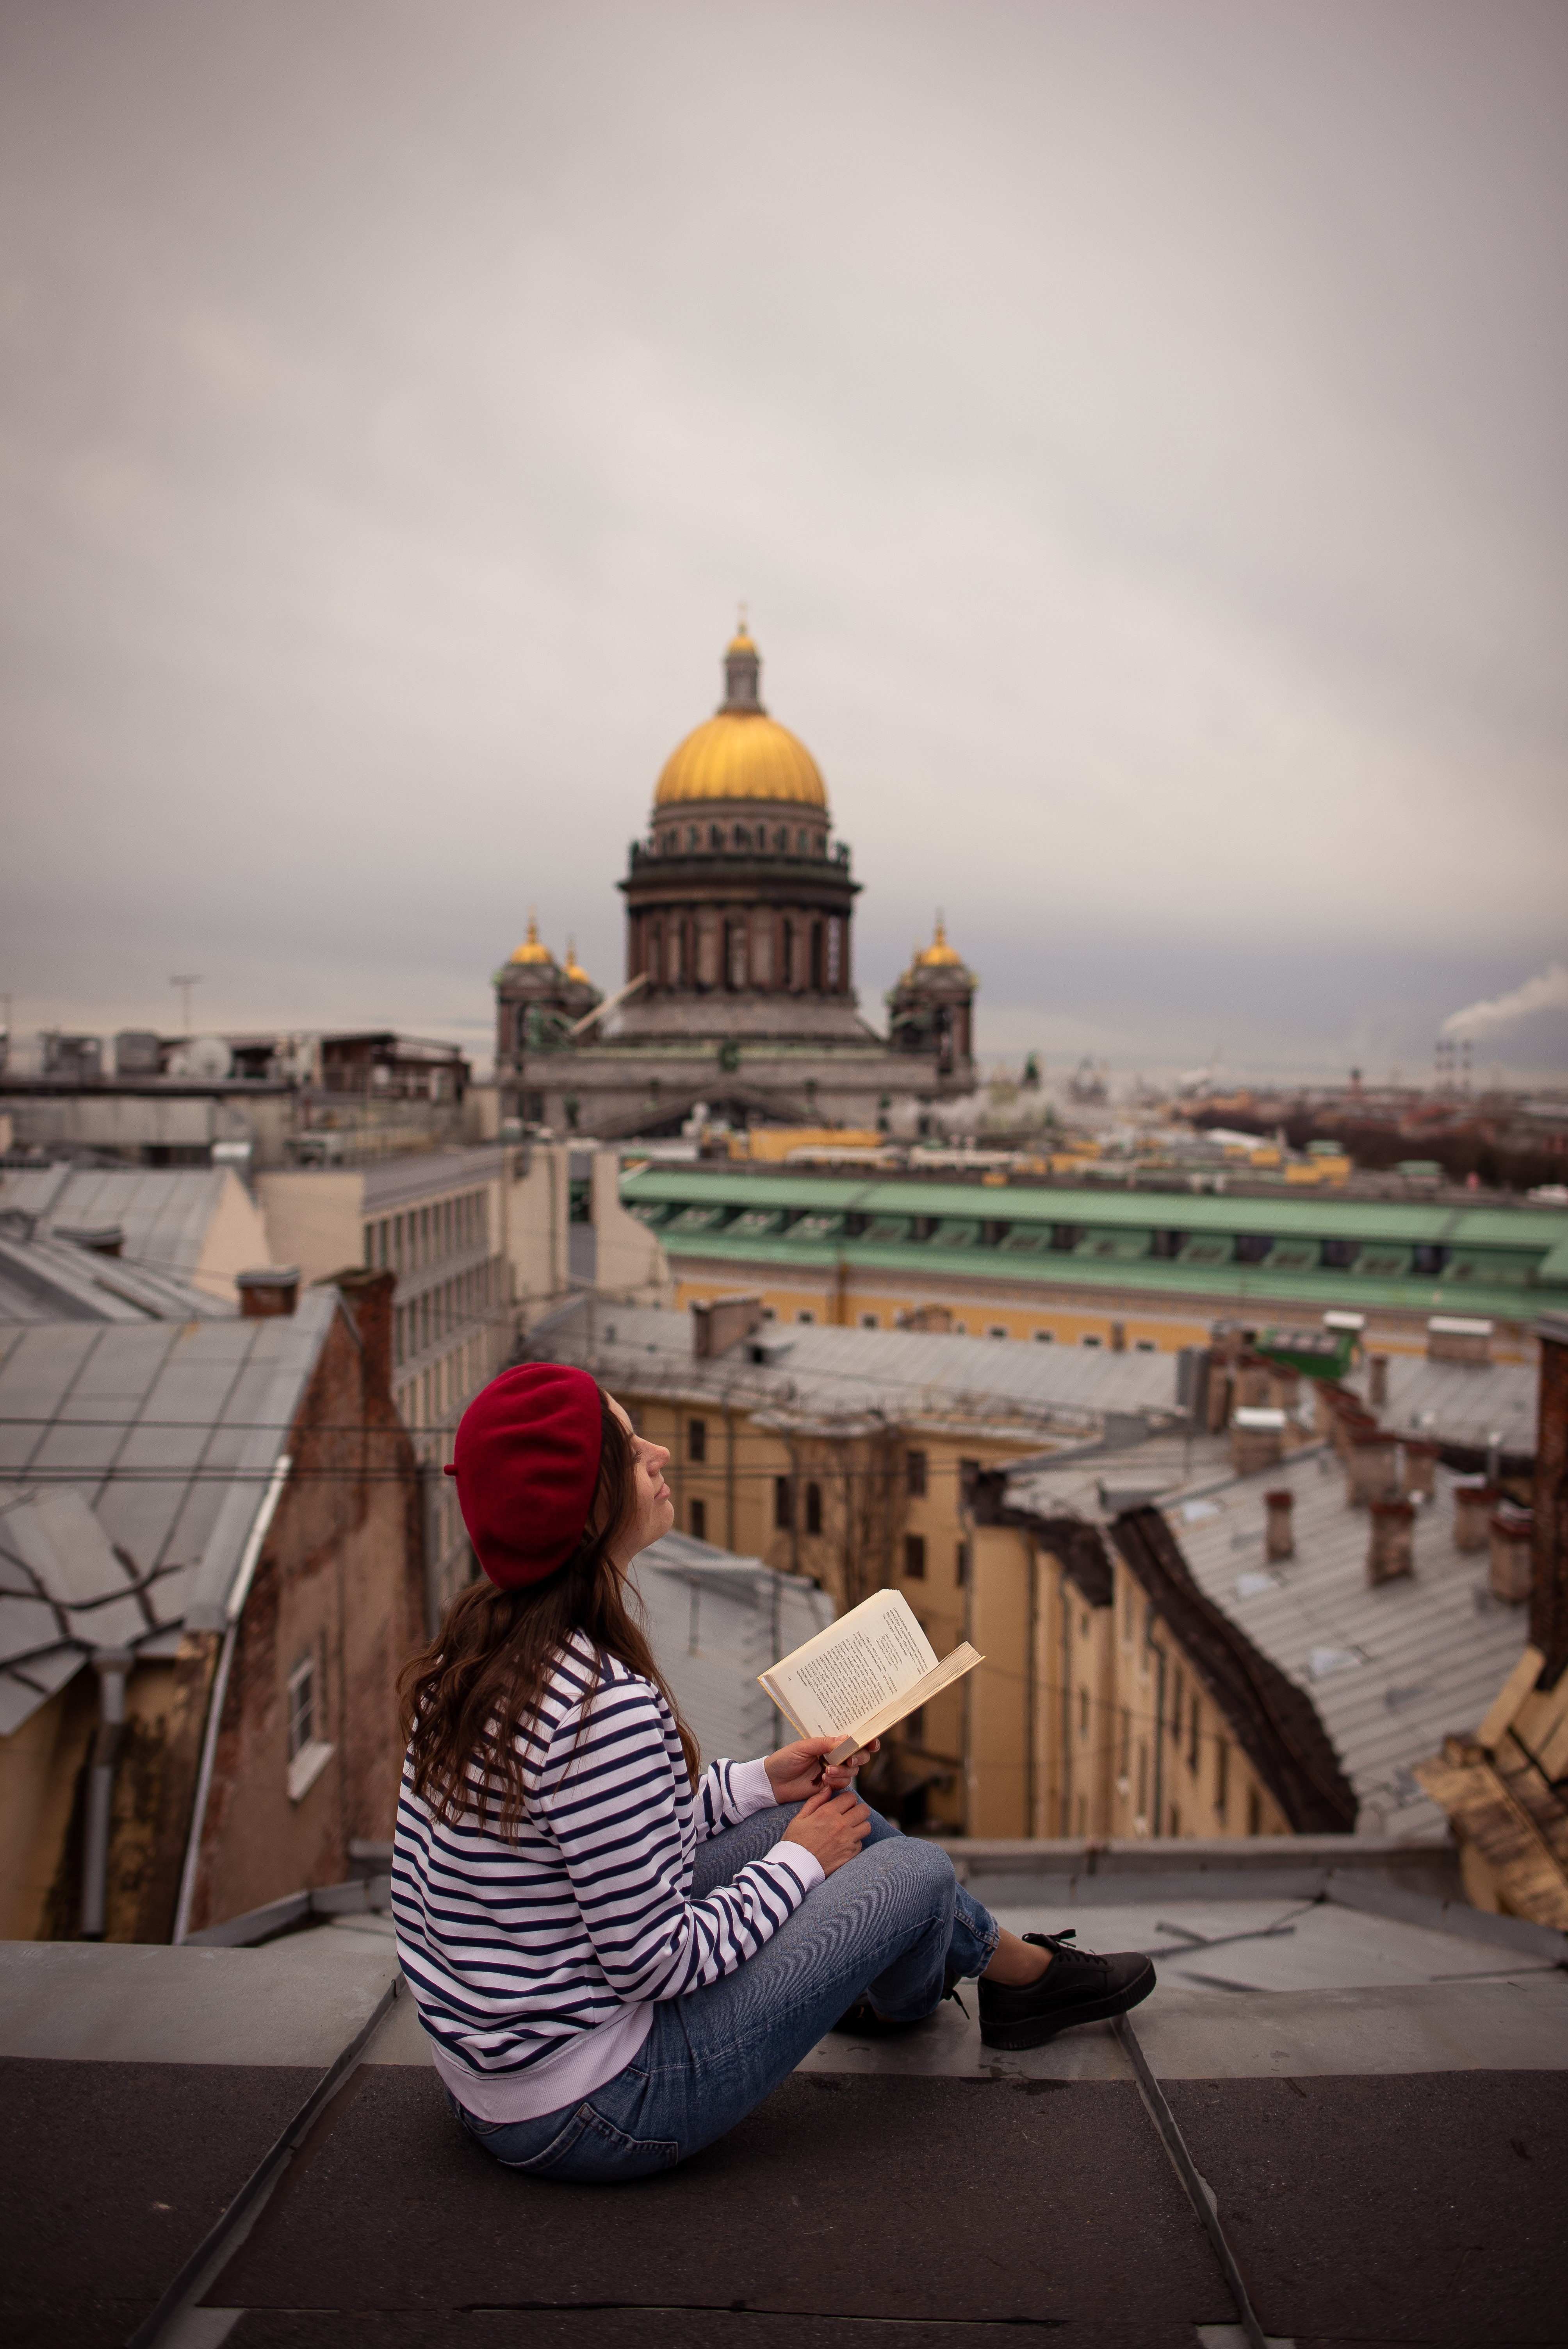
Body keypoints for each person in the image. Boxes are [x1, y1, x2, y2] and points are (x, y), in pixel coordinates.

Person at [392, 1363, 1154, 2182]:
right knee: (914, 1867)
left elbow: (603, 1842)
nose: (656, 1452)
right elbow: (654, 1961)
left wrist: (763, 1783)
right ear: (582, 1502)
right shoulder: (597, 1707)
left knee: (832, 1804)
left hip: (500, 2078)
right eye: (625, 1444)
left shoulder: (474, 1659)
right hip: (600, 2108)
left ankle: (988, 1971)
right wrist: (801, 1862)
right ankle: (935, 1984)